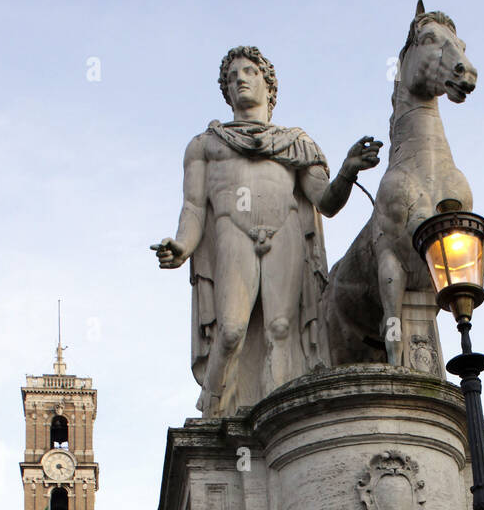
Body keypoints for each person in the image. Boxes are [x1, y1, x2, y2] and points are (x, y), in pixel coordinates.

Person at [151, 45, 381, 417]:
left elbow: (326, 202)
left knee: (280, 328)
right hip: (231, 230)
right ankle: (214, 419)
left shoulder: (296, 144)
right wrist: (182, 245)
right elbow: (194, 207)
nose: (239, 79)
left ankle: (281, 427)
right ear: (225, 93)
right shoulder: (206, 145)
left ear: (268, 85)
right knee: (230, 331)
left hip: (285, 230)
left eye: (248, 72)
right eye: (231, 77)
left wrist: (348, 171)